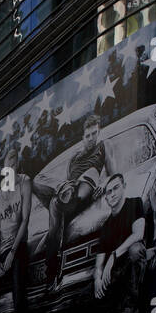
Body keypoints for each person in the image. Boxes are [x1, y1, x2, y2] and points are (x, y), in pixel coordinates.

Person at [44, 114, 114, 296]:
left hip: (87, 191)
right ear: (82, 137)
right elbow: (69, 183)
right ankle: (53, 269)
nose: (91, 138)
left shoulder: (103, 147)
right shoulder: (73, 158)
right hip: (69, 198)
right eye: (88, 135)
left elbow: (115, 175)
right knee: (49, 197)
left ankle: (52, 269)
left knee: (57, 205)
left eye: (94, 134)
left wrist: (104, 183)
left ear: (99, 133)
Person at [0, 146, 33, 313]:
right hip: (1, 252)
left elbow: (25, 220)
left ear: (17, 165)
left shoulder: (25, 182)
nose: (12, 164)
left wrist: (12, 253)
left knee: (19, 297)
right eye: (8, 162)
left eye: (14, 161)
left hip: (18, 247)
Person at [92, 173, 149, 313]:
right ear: (105, 197)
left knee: (135, 250)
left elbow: (138, 234)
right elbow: (98, 264)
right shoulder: (106, 226)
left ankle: (131, 305)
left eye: (115, 188)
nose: (112, 194)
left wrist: (113, 256)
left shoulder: (135, 203)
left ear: (124, 187)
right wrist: (98, 278)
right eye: (108, 192)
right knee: (94, 292)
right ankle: (118, 305)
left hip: (133, 258)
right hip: (119, 267)